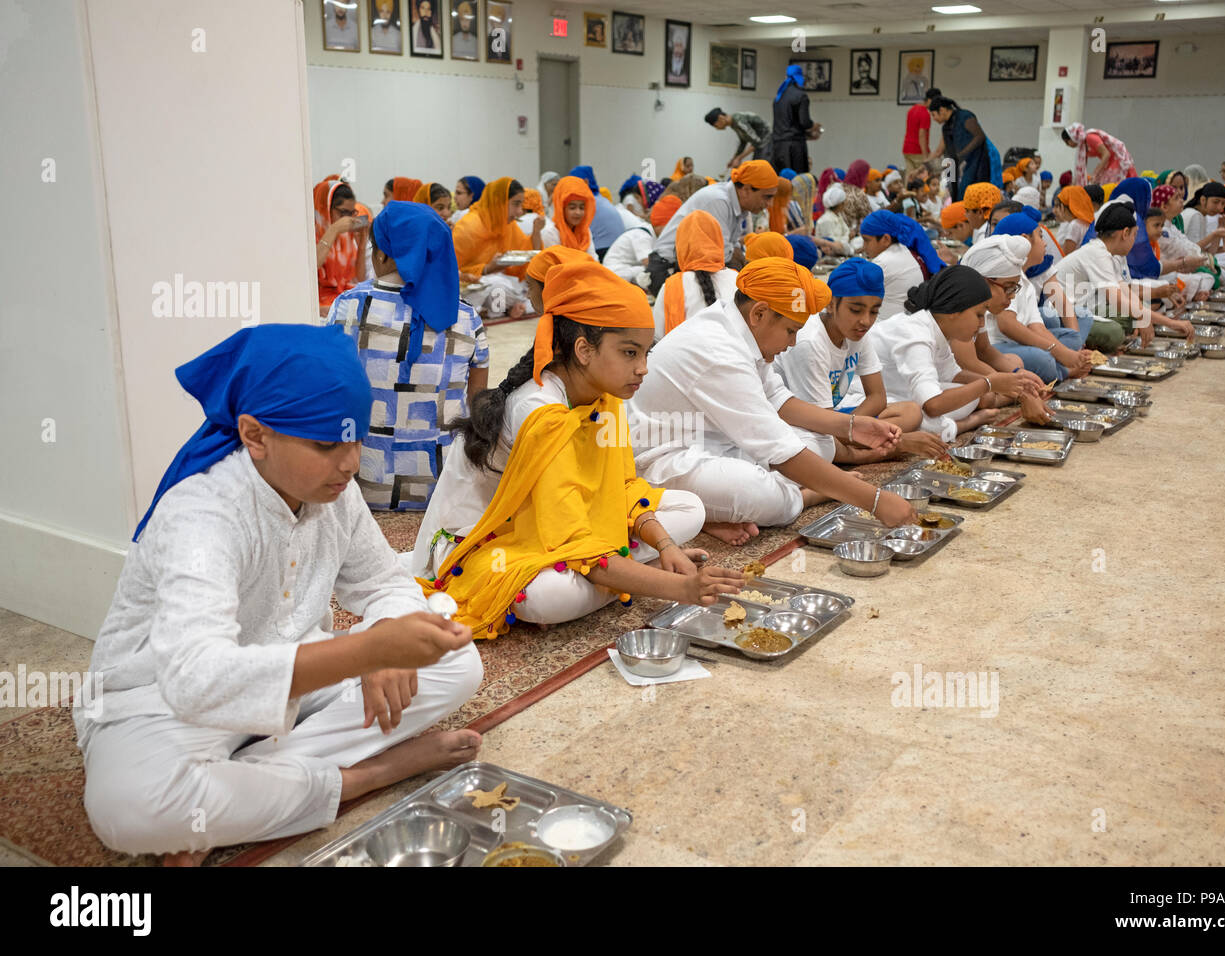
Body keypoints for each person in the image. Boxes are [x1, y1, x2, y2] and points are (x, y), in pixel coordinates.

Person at [75, 324, 484, 863]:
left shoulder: (332, 491)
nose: (350, 462)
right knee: (131, 808)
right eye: (325, 444)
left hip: (293, 687)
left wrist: (386, 630)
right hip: (161, 705)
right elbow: (195, 680)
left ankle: (234, 795)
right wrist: (368, 653)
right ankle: (365, 776)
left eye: (356, 439)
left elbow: (383, 581)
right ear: (255, 435)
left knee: (459, 664)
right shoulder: (202, 514)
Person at [415, 261, 743, 635]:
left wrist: (665, 544)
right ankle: (634, 573)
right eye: (630, 353)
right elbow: (569, 536)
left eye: (646, 352)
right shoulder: (539, 411)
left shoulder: (605, 395)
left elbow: (621, 487)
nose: (643, 369)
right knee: (548, 598)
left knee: (691, 509)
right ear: (585, 350)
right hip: (488, 538)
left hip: (563, 518)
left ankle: (626, 572)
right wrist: (681, 588)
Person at [630, 257, 915, 545]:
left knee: (823, 446)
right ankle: (806, 496)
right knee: (758, 493)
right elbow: (780, 451)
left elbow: (778, 399)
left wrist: (850, 426)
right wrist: (876, 501)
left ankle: (716, 513)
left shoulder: (738, 327)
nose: (791, 343)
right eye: (790, 331)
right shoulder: (719, 352)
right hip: (663, 462)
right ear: (760, 313)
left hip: (716, 443)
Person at [328, 201, 489, 511]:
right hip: (443, 488)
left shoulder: (346, 307)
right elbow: (477, 406)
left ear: (383, 254)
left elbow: (330, 391)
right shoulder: (466, 317)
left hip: (361, 488)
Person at [775, 259, 946, 462]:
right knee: (819, 447)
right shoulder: (810, 342)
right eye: (856, 310)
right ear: (830, 304)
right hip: (802, 423)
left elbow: (877, 396)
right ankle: (867, 452)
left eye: (874, 311)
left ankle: (859, 446)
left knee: (911, 411)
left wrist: (853, 428)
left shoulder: (856, 333)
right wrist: (899, 442)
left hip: (833, 416)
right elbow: (822, 423)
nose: (866, 320)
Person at [870, 265, 1037, 441]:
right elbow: (933, 405)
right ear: (954, 312)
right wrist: (988, 383)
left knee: (972, 396)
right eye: (978, 315)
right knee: (917, 416)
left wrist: (1014, 387)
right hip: (869, 402)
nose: (981, 324)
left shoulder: (938, 329)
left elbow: (953, 374)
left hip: (903, 393)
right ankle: (963, 424)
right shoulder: (915, 333)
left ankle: (945, 425)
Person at [1050, 203, 1195, 349]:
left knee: (1139, 308)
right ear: (1125, 233)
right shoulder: (1097, 253)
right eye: (1135, 235)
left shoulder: (1112, 254)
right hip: (1062, 316)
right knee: (1114, 333)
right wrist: (1163, 322)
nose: (1135, 240)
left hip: (1087, 307)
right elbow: (1117, 299)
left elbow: (1127, 293)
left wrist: (1160, 321)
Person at [965, 232, 1090, 383]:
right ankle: (1060, 370)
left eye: (1014, 289)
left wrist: (1019, 375)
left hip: (1006, 351)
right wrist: (1006, 382)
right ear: (986, 281)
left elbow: (986, 351)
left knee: (1017, 364)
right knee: (1032, 361)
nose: (1012, 297)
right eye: (1008, 288)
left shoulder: (980, 310)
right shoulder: (961, 312)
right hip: (947, 382)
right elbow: (964, 365)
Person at [646, 160, 780, 294]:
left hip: (690, 270)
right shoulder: (718, 201)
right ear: (745, 190)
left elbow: (732, 250)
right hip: (666, 268)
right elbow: (723, 255)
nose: (770, 203)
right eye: (767, 197)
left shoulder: (738, 204)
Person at [452, 176, 533, 318]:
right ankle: (502, 311)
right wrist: (487, 269)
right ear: (499, 202)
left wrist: (537, 233)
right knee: (494, 286)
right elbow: (451, 270)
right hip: (468, 288)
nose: (520, 211)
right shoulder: (469, 227)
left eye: (521, 205)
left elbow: (526, 253)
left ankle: (506, 311)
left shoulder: (507, 224)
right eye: (516, 204)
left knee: (502, 287)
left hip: (497, 287)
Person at [653, 211, 738, 340]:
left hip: (683, 359)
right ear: (719, 242)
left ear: (681, 247)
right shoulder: (737, 279)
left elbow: (657, 337)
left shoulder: (672, 286)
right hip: (737, 358)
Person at [860, 209, 944, 321]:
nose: (864, 247)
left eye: (867, 241)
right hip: (907, 325)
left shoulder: (883, 262)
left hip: (887, 330)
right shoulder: (905, 250)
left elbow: (853, 294)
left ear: (885, 239)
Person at [314, 178, 369, 310]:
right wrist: (333, 229)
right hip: (318, 303)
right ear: (326, 207)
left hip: (342, 300)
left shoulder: (346, 237)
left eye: (351, 213)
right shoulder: (311, 233)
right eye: (343, 212)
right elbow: (312, 265)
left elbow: (359, 279)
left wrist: (361, 247)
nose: (348, 218)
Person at [931, 97, 996, 199]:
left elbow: (979, 136)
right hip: (961, 164)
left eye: (933, 115)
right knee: (956, 195)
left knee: (968, 193)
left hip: (977, 161)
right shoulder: (946, 128)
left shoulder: (965, 116)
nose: (933, 119)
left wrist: (961, 155)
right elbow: (946, 152)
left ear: (942, 110)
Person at [770, 65, 822, 175]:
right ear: (800, 77)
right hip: (794, 148)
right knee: (798, 180)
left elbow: (784, 126)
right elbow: (805, 122)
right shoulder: (801, 96)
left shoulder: (778, 97)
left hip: (778, 147)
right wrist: (815, 126)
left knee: (782, 179)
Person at [568, 165, 629, 257]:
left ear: (585, 182)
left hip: (604, 251)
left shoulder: (588, 202)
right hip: (618, 249)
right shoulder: (601, 199)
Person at [536, 175, 597, 256]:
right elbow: (558, 265)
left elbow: (593, 259)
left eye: (582, 208)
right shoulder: (551, 233)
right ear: (561, 208)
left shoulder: (585, 232)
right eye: (572, 208)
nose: (578, 212)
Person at [1062, 123, 1136, 186]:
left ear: (1073, 137)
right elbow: (1082, 167)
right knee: (1097, 181)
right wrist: (1076, 182)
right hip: (1109, 162)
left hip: (1118, 159)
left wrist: (1095, 173)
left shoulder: (1089, 137)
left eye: (1067, 142)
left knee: (1108, 186)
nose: (1067, 145)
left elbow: (1106, 154)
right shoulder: (1082, 146)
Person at [706, 107, 773, 168]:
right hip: (761, 144)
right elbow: (743, 142)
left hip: (767, 142)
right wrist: (734, 159)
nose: (717, 128)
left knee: (760, 168)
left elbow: (756, 142)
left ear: (721, 118)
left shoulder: (739, 121)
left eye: (716, 125)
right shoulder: (733, 123)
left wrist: (739, 158)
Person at [903, 88, 942, 175]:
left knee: (910, 176)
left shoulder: (912, 110)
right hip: (918, 151)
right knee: (923, 177)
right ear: (929, 100)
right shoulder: (925, 114)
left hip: (907, 149)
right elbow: (922, 135)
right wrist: (925, 157)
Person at [1052, 184, 1094, 256]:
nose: (1054, 211)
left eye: (1057, 206)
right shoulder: (1086, 221)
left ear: (1062, 207)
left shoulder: (1075, 225)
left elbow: (1065, 255)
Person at [814, 184, 856, 256]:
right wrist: (848, 237)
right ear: (840, 204)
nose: (845, 204)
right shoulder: (826, 220)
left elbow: (845, 232)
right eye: (844, 202)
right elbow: (832, 243)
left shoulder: (838, 216)